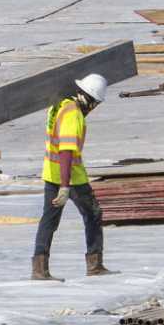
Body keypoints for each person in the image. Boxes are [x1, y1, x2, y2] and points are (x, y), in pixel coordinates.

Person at [33, 73, 111, 280]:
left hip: (51, 172)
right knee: (93, 214)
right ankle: (94, 264)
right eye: (94, 103)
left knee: (49, 220)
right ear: (88, 99)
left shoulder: (59, 105)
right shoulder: (73, 114)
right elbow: (66, 151)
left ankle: (39, 269)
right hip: (70, 177)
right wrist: (65, 186)